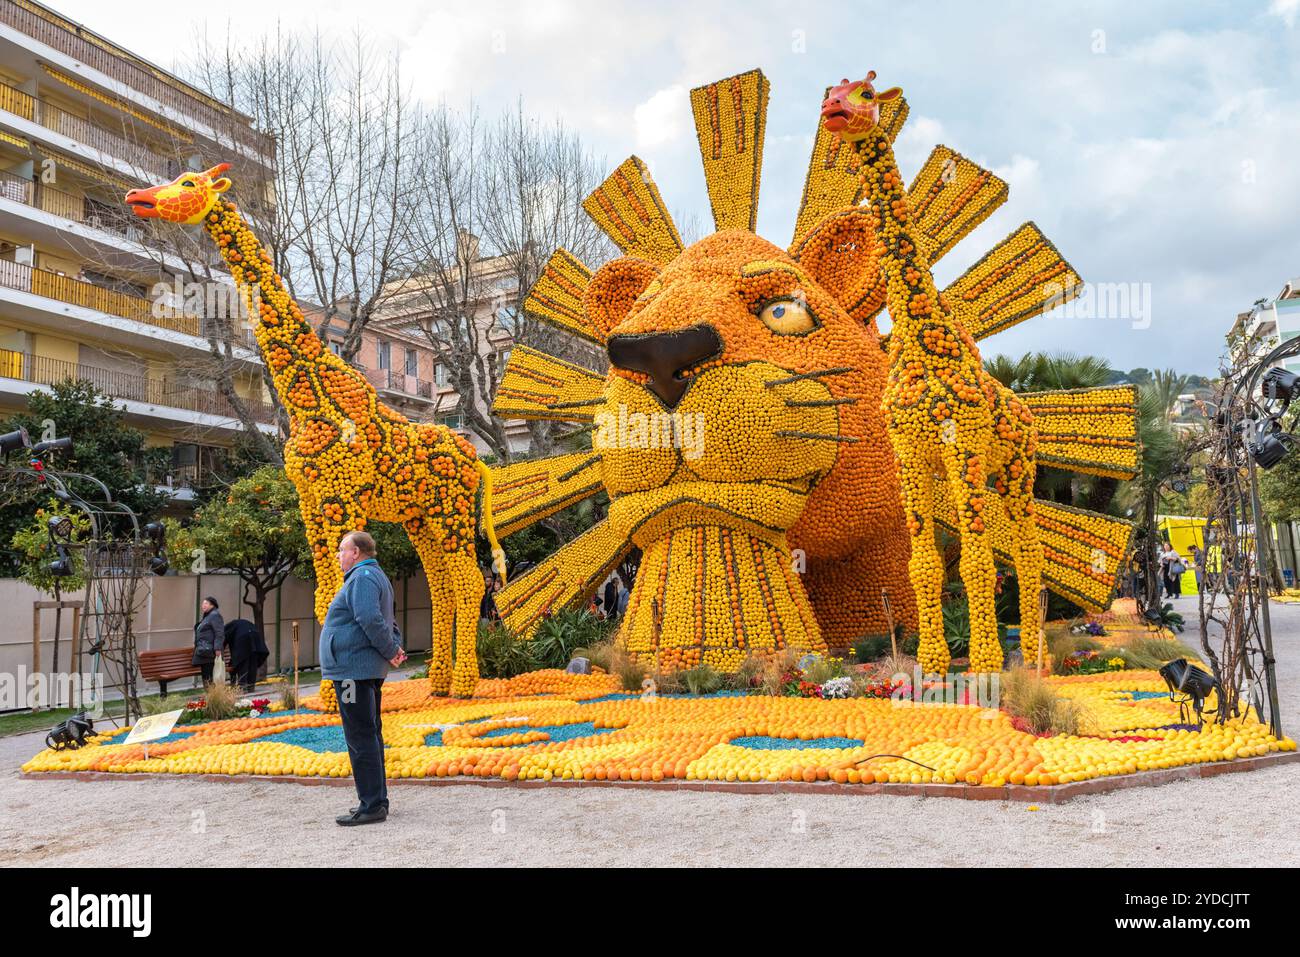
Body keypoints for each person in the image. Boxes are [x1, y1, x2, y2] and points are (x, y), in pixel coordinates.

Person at [320, 530, 406, 827]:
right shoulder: (371, 576)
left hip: (352, 672)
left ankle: (371, 805)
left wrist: (391, 648)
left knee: (360, 736)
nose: (338, 555)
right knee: (368, 733)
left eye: (342, 550)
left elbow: (371, 619)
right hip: (357, 670)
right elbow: (386, 619)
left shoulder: (362, 578)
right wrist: (393, 647)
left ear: (356, 552)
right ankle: (376, 801)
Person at [225, 618, 269, 692]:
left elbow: (225, 643)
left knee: (242, 662)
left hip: (243, 638)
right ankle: (251, 687)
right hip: (255, 637)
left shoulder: (227, 628)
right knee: (253, 663)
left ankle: (243, 687)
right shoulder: (238, 624)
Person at [192, 596, 225, 686]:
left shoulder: (214, 615)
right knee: (206, 676)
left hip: (209, 652)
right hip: (204, 651)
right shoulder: (208, 616)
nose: (203, 605)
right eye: (203, 603)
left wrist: (217, 648)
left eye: (206, 603)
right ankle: (210, 696)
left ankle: (212, 696)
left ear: (212, 605)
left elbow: (219, 633)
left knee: (208, 676)